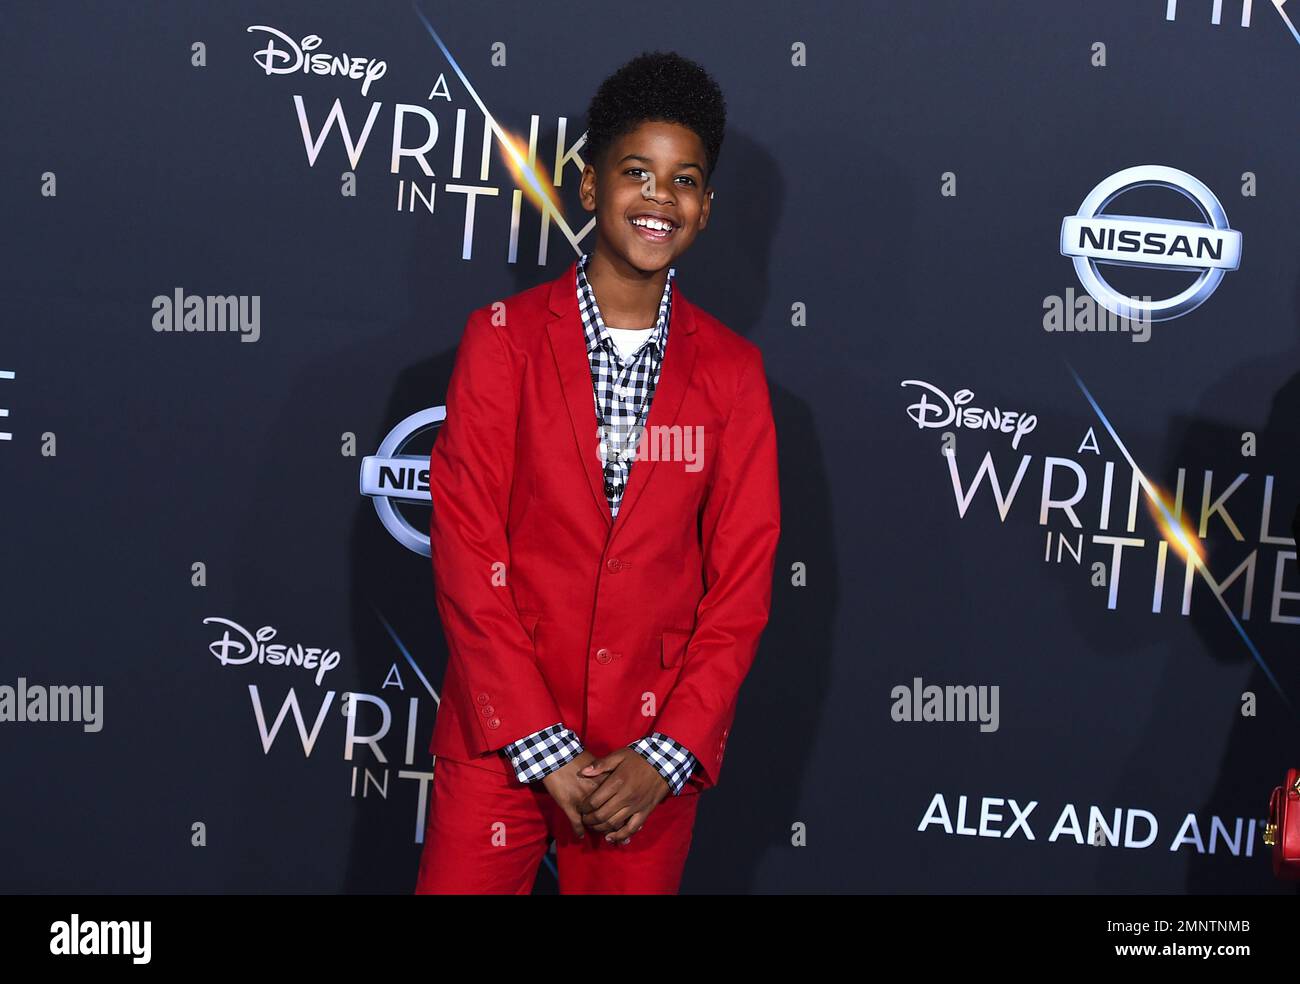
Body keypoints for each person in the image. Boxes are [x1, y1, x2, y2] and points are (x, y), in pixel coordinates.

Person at [414, 50, 780, 894]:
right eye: (636, 173)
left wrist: (669, 753)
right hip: (501, 739)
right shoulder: (500, 339)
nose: (660, 197)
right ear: (588, 187)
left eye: (684, 179)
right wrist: (539, 744)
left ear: (707, 207)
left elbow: (742, 584)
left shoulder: (732, 371)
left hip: (643, 767)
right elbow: (467, 550)